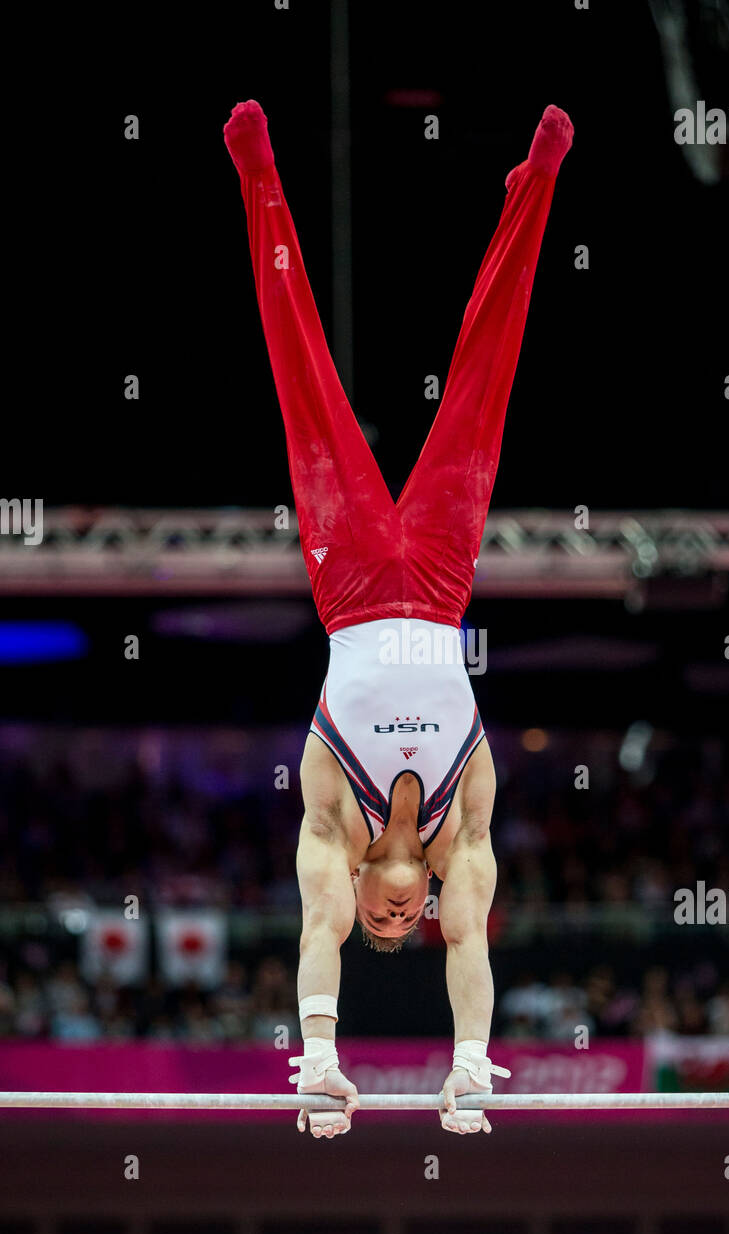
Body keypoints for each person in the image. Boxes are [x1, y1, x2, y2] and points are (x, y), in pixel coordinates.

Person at [224, 98, 572, 1136]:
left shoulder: (331, 823)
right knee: (485, 379)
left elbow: (313, 935)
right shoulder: (466, 834)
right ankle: (539, 177)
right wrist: (469, 1063)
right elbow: (470, 944)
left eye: (378, 917)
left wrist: (318, 1058)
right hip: (441, 573)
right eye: (404, 916)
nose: (396, 914)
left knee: (303, 378)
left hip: (350, 581)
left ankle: (253, 166)